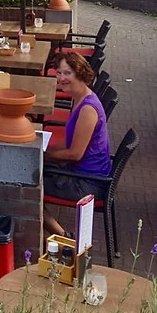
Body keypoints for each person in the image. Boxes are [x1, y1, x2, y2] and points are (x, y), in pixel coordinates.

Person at [43, 52, 112, 236]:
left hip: (89, 183)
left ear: (80, 73)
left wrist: (45, 155)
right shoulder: (79, 97)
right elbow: (67, 140)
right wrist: (43, 148)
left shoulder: (88, 109)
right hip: (81, 173)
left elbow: (75, 154)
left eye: (67, 73)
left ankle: (65, 238)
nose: (61, 78)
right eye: (59, 73)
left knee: (27, 189)